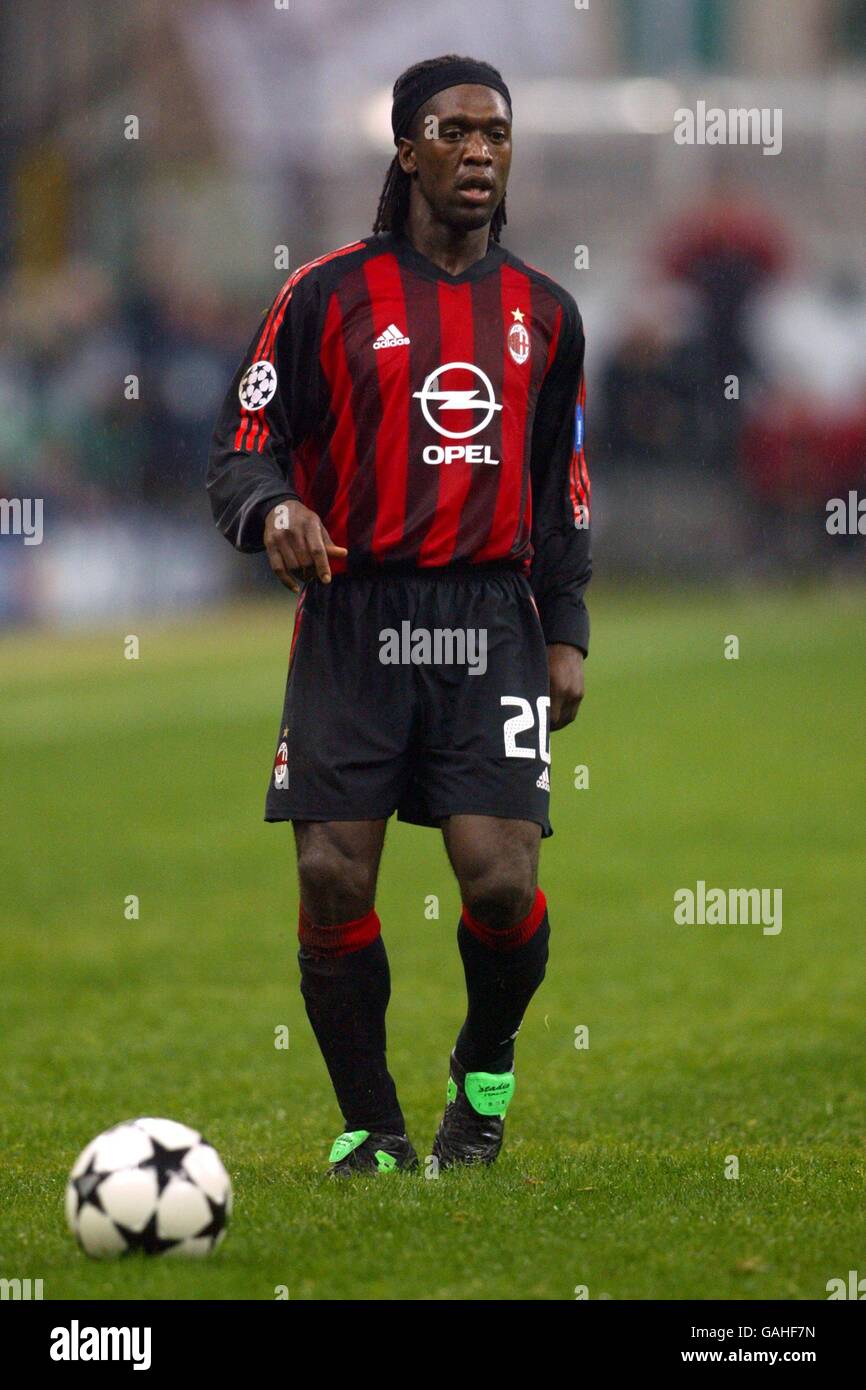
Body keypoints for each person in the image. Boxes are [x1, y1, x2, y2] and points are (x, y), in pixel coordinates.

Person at [207, 55, 591, 1176]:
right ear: (407, 149)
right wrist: (274, 506)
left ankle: (481, 1078)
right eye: (454, 130)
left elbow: (560, 488)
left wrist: (565, 626)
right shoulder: (324, 296)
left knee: (501, 879)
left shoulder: (545, 315)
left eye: (496, 133)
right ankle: (370, 1125)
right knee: (331, 874)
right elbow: (243, 444)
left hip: (487, 619)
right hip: (354, 613)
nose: (479, 150)